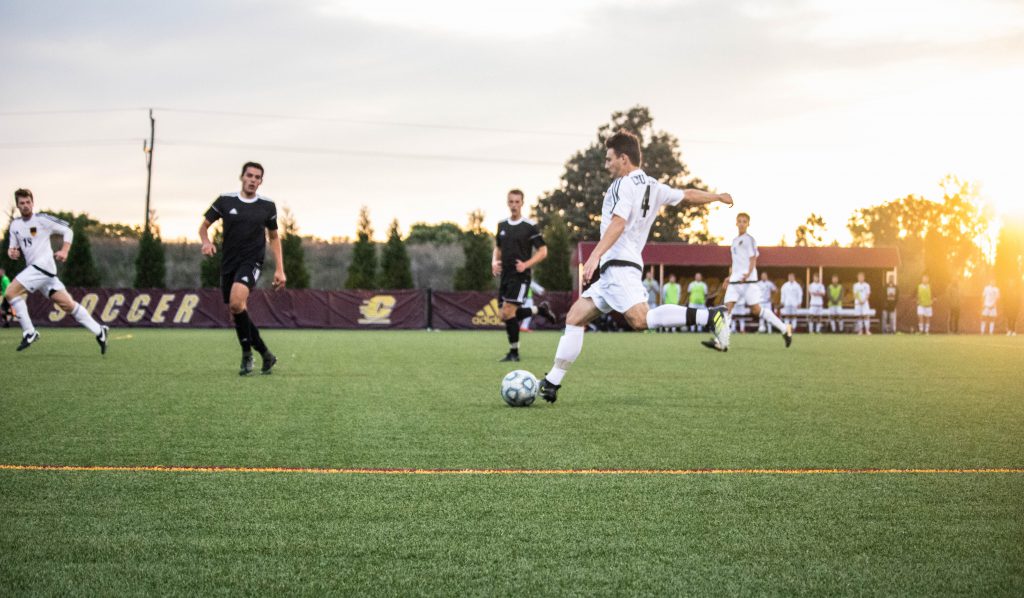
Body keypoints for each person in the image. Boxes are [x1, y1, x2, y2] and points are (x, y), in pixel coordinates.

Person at [536, 130, 733, 403]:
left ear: (624, 158)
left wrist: (593, 257)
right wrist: (717, 196)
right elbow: (686, 194)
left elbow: (618, 223)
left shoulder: (622, 184)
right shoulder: (654, 185)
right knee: (574, 318)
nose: (606, 165)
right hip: (617, 268)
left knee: (641, 320)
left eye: (609, 159)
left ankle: (710, 316)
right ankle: (551, 382)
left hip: (618, 265)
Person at [199, 162, 286, 375]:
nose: (253, 180)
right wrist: (206, 242)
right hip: (229, 263)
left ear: (261, 182)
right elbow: (203, 227)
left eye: (257, 177)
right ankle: (265, 354)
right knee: (237, 309)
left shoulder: (267, 206)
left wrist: (279, 269)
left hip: (252, 261)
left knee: (238, 302)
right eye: (250, 176)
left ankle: (247, 355)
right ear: (242, 177)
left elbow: (274, 238)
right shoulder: (225, 201)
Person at [4, 188, 109, 353]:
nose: (25, 205)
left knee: (10, 292)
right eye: (22, 203)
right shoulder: (15, 225)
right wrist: (12, 252)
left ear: (33, 203)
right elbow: (12, 248)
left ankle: (29, 332)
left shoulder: (42, 220)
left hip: (43, 266)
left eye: (28, 202)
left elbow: (68, 230)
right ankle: (99, 330)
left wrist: (64, 251)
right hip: (39, 271)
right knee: (68, 305)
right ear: (17, 205)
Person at [703, 213, 792, 351]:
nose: (742, 223)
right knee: (727, 309)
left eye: (744, 221)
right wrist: (729, 276)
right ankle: (721, 342)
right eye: (739, 221)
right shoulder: (734, 241)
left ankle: (784, 328)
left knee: (756, 310)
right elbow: (736, 263)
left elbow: (753, 259)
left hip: (748, 282)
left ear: (748, 224)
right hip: (735, 282)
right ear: (736, 223)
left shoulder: (749, 240)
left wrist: (748, 274)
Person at [492, 189, 555, 361]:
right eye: (511, 202)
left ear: (522, 203)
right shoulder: (502, 225)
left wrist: (526, 264)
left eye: (517, 202)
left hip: (521, 277)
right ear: (507, 203)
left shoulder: (529, 226)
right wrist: (494, 263)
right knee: (504, 315)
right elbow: (498, 248)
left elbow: (543, 251)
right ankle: (539, 310)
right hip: (505, 275)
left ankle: (514, 353)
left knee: (508, 311)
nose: (514, 205)